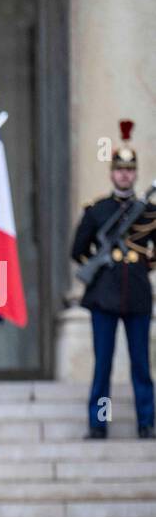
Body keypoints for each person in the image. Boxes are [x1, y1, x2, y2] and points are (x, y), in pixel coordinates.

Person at [71, 119, 156, 439]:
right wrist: (100, 264)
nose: (125, 175)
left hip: (136, 295)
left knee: (141, 366)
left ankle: (146, 421)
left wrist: (141, 265)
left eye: (130, 170)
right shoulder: (97, 210)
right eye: (119, 170)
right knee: (103, 366)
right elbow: (77, 250)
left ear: (135, 173)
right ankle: (99, 422)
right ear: (112, 173)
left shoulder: (148, 212)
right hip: (103, 296)